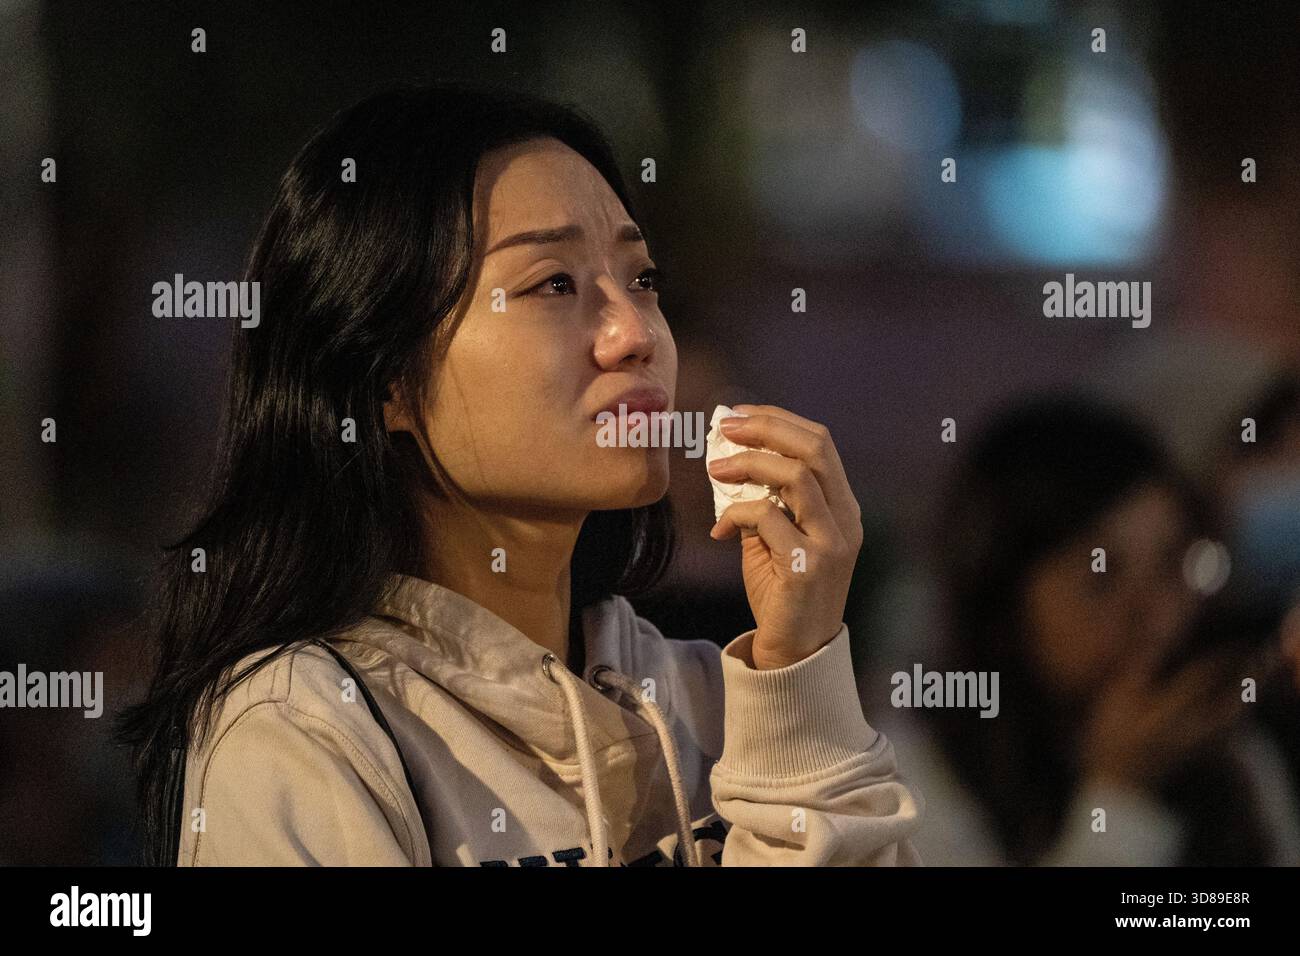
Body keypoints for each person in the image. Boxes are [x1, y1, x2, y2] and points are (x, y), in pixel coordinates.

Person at [114, 80, 923, 867]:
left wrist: (800, 673)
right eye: (553, 284)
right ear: (387, 379)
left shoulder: (713, 701)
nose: (635, 334)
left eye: (641, 279)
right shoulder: (306, 729)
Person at [875, 392, 1300, 866]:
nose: (1160, 619)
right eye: (1102, 579)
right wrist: (1120, 794)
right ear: (1003, 600)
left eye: (1172, 565)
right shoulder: (907, 783)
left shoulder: (1232, 757)